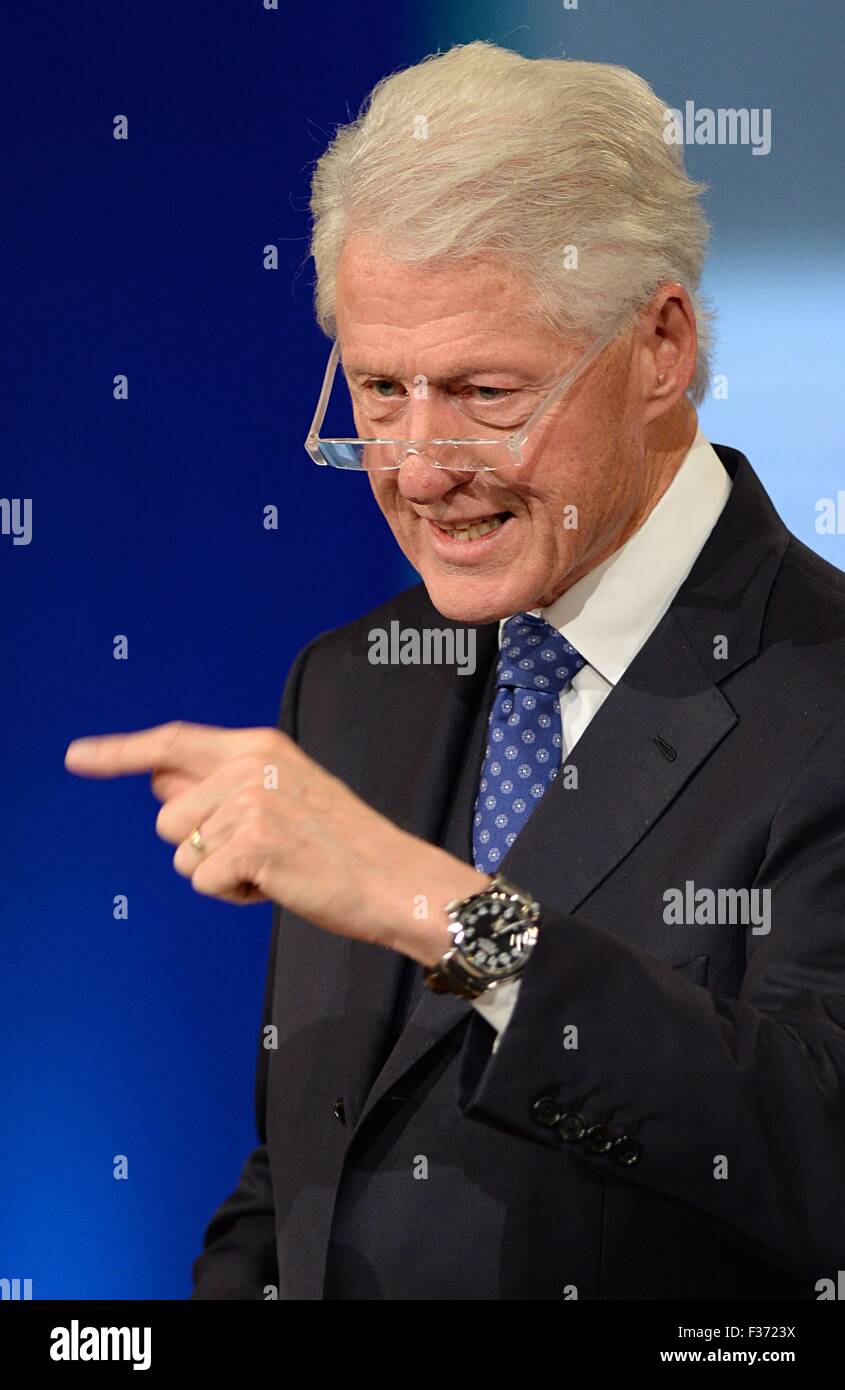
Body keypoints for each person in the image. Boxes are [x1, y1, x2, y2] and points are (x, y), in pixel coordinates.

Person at [65, 42, 845, 1300]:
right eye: (378, 389)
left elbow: (811, 1156)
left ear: (658, 344)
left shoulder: (819, 699)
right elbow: (309, 1170)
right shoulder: (351, 681)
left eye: (486, 392)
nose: (418, 467)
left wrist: (436, 908)